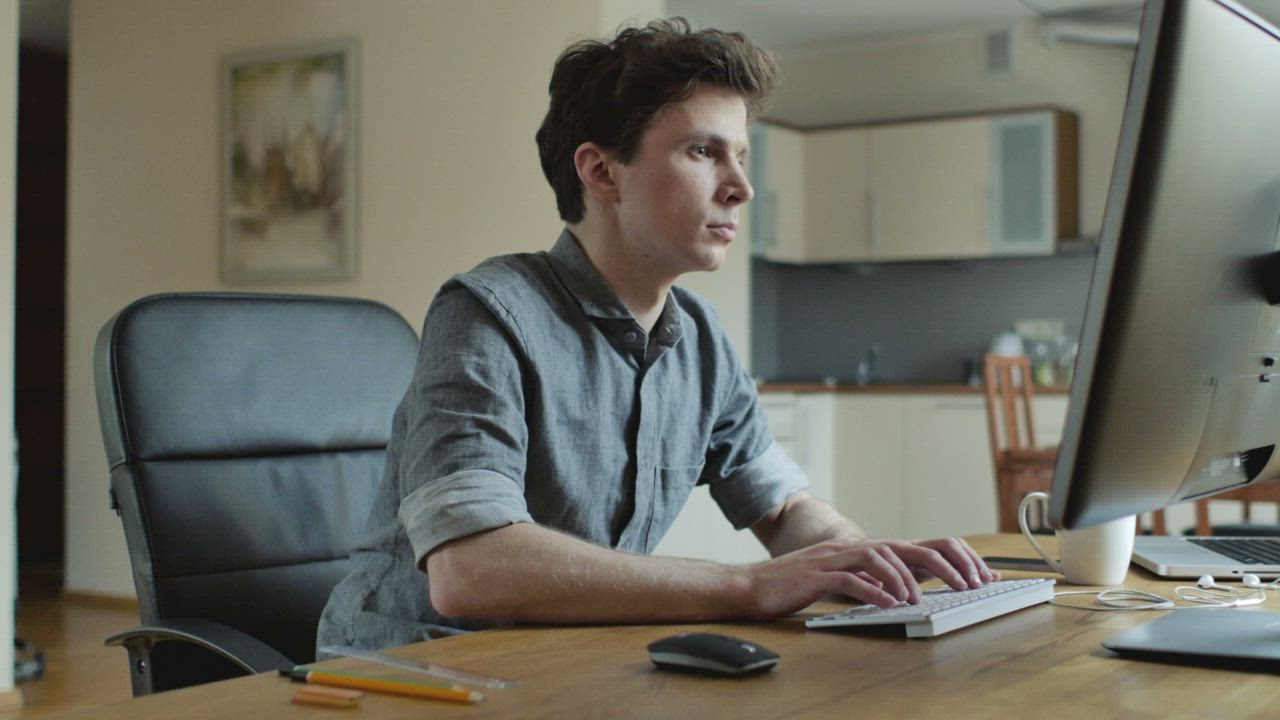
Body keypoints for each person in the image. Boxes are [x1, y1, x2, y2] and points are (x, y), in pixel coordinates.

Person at [317, 18, 998, 653]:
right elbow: (471, 569)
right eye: (704, 151)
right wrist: (748, 588)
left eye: (741, 157)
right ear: (601, 172)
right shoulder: (488, 314)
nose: (741, 188)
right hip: (411, 675)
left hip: (568, 666)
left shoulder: (698, 340)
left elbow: (784, 506)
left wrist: (868, 565)